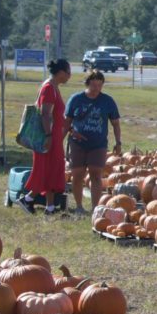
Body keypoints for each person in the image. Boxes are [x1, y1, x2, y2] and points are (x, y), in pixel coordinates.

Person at [65, 67, 122, 211]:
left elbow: (115, 123)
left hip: (98, 144)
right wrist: (71, 131)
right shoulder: (76, 99)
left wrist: (118, 142)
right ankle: (79, 207)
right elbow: (66, 121)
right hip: (77, 144)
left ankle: (95, 208)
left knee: (96, 176)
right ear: (87, 84)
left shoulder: (107, 101)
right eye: (93, 85)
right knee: (77, 176)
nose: (96, 88)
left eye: (99, 85)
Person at [24, 58, 70, 213]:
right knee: (44, 170)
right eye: (68, 72)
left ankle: (50, 207)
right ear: (61, 72)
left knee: (53, 169)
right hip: (47, 136)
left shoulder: (54, 87)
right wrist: (48, 135)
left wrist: (68, 127)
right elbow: (45, 114)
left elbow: (56, 115)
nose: (69, 76)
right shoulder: (49, 88)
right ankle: (27, 199)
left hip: (54, 136)